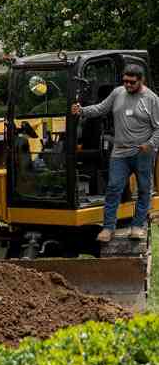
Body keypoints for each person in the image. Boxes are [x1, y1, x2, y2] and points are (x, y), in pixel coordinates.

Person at [72, 63, 159, 242]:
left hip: (142, 153)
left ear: (141, 81)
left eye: (132, 82)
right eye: (125, 81)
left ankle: (137, 226)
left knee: (144, 190)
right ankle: (108, 228)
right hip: (120, 153)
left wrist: (150, 144)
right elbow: (101, 108)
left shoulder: (152, 99)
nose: (128, 85)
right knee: (113, 188)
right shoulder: (118, 93)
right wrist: (82, 111)